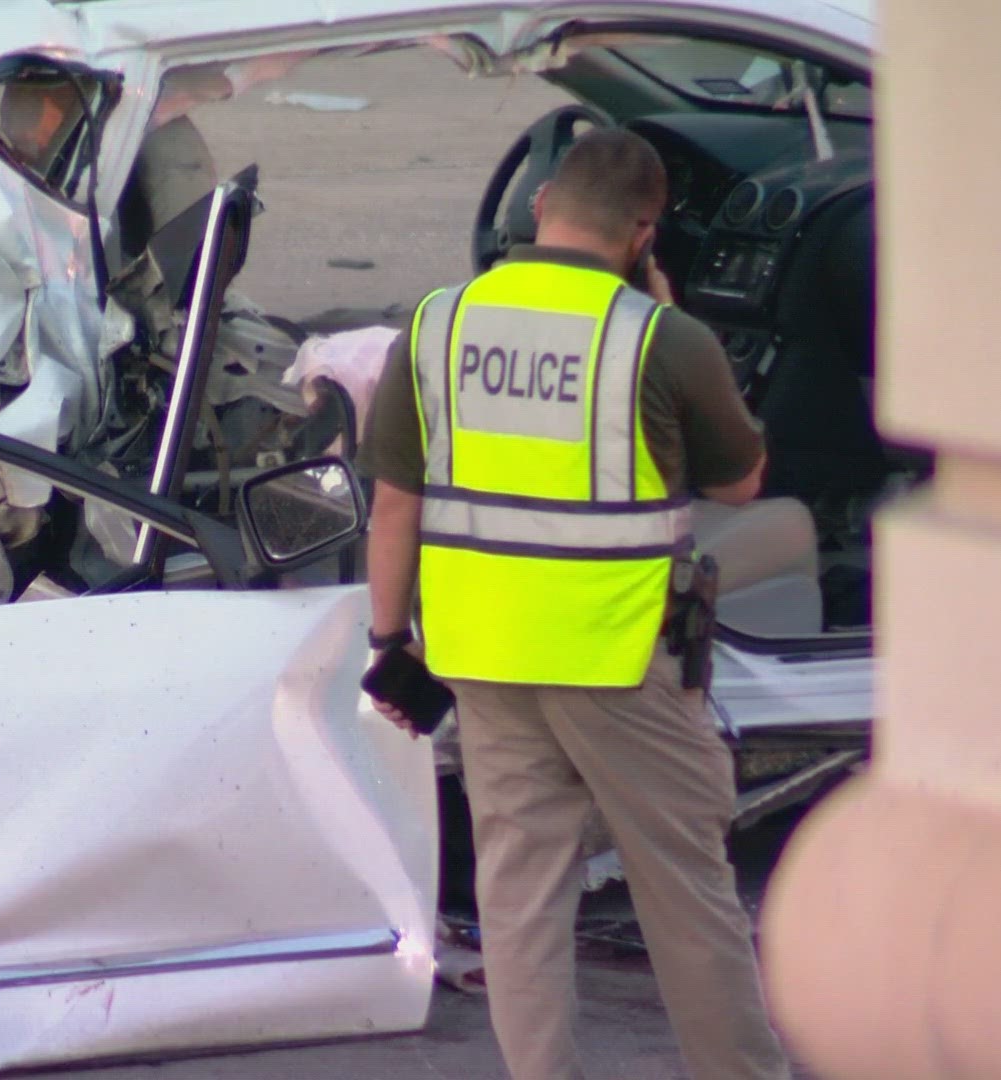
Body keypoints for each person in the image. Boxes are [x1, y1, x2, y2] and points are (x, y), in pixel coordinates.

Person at [357, 129, 792, 1080]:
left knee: (520, 901)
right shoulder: (659, 337)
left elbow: (397, 504)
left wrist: (390, 642)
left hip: (483, 661)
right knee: (685, 891)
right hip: (620, 662)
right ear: (645, 233)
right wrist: (670, 319)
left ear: (542, 203)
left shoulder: (436, 324)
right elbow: (743, 482)